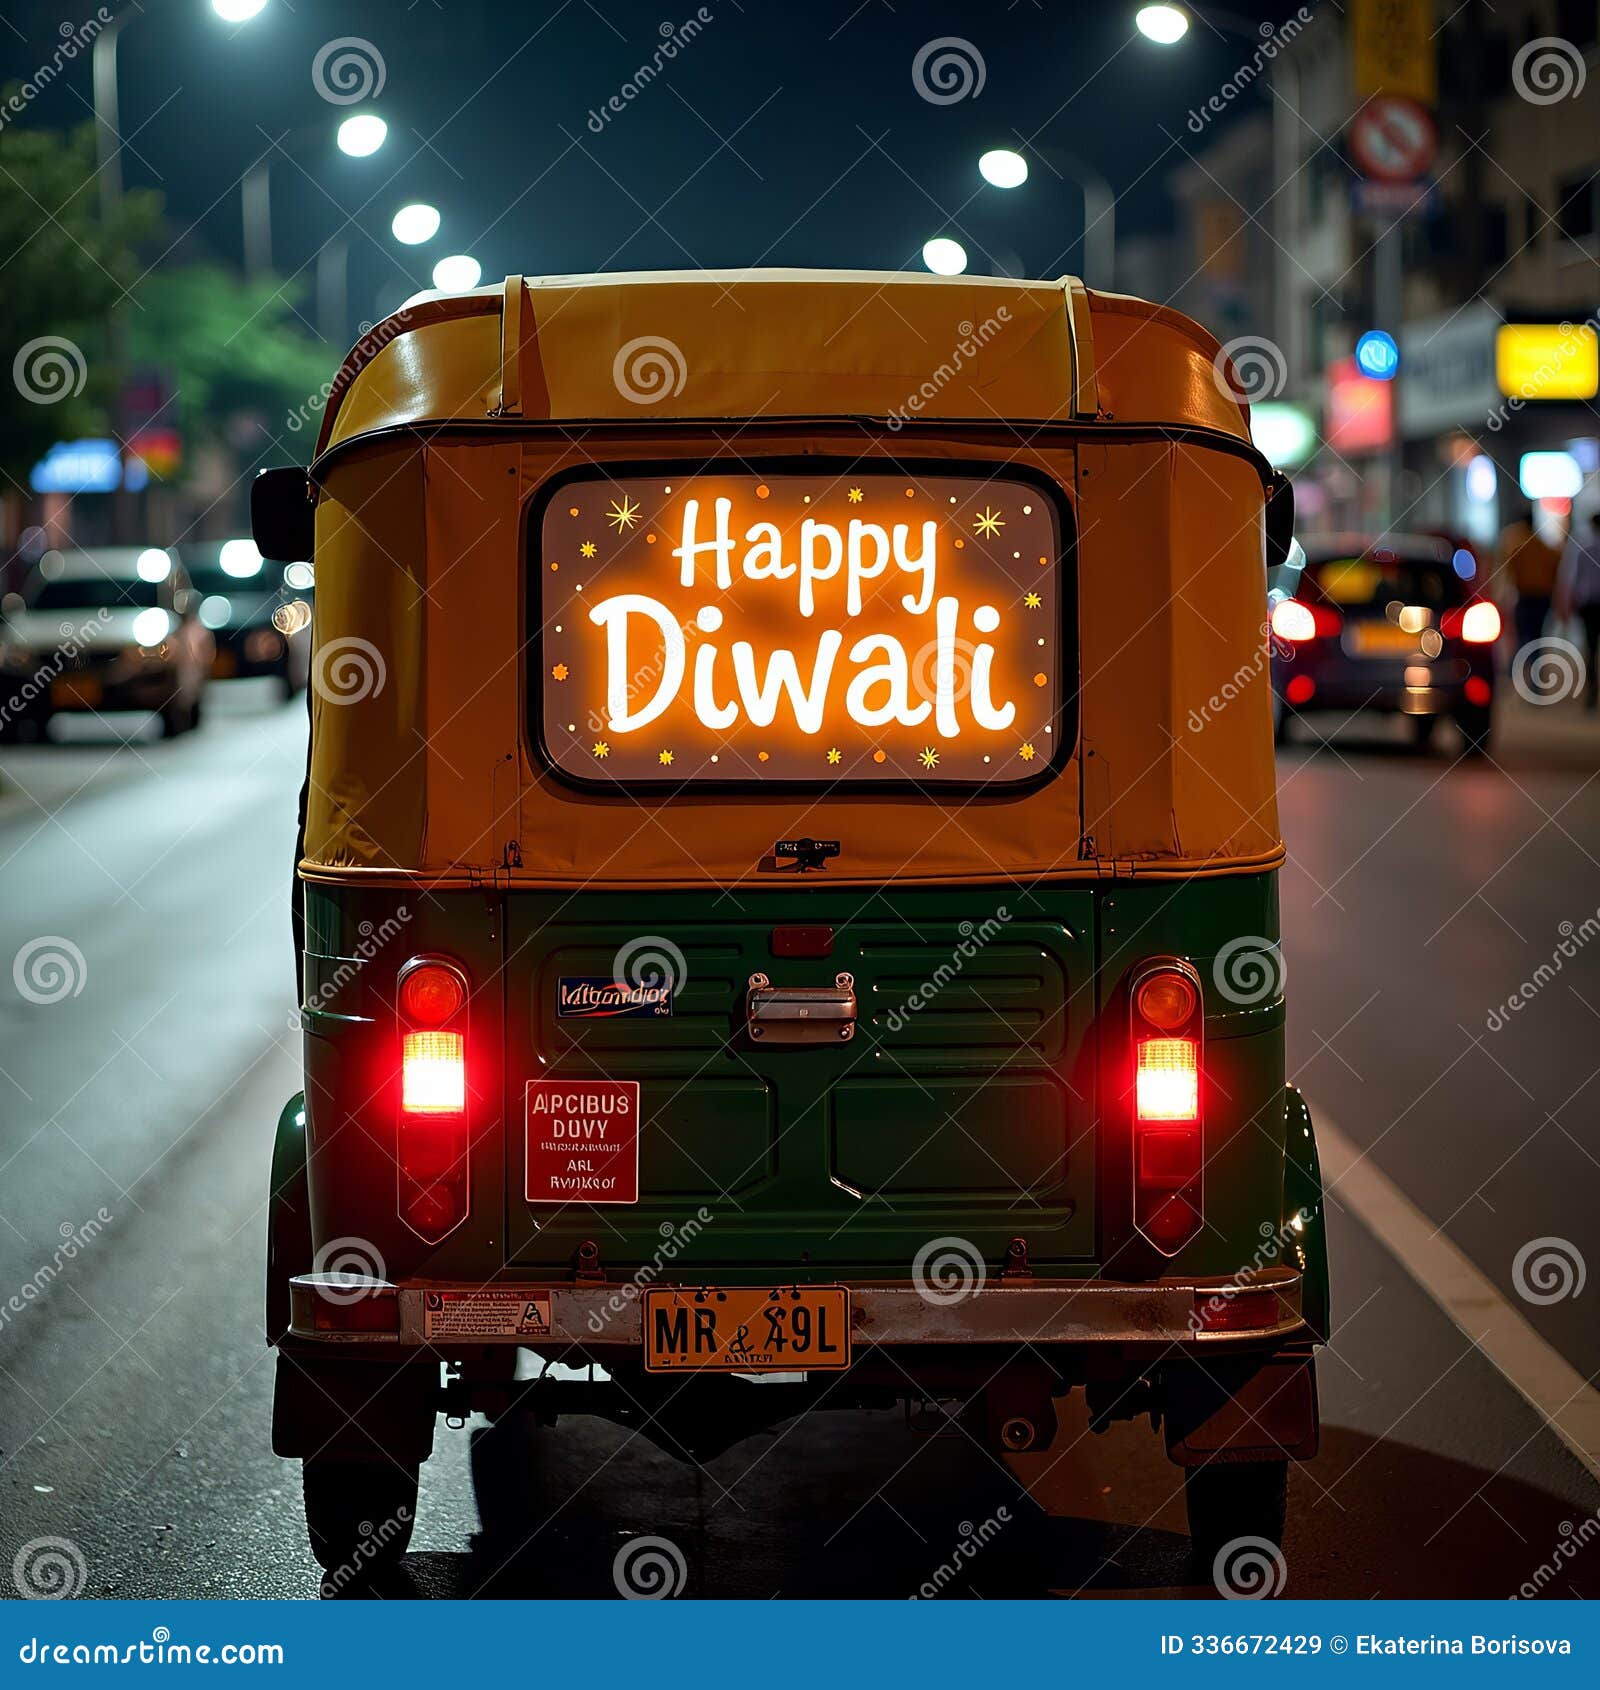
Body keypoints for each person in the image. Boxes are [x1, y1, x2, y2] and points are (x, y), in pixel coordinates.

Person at [1498, 505, 1562, 658]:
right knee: (1537, 633)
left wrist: (1503, 594)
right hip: (1542, 596)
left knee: (1523, 632)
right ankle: (1533, 661)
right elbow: (1555, 566)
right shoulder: (1541, 545)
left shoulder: (1515, 544)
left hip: (1526, 596)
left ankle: (1522, 661)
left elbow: (1507, 571)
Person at [1556, 509, 1600, 710]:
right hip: (1589, 603)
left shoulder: (1582, 543)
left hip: (1588, 604)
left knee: (1590, 648)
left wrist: (1566, 602)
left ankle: (1592, 691)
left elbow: (1570, 575)